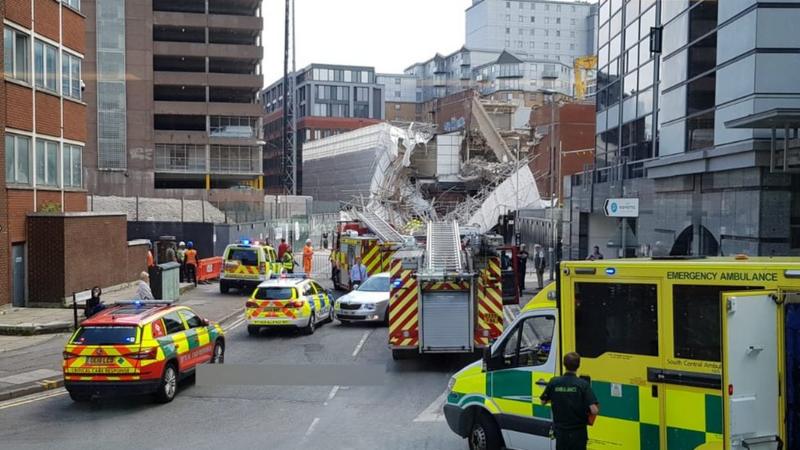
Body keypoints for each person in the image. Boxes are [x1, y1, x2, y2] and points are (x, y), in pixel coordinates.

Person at [540, 352, 600, 450]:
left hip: (561, 432)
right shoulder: (583, 385)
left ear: (564, 364)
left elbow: (543, 402)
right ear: (578, 366)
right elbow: (594, 410)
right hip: (578, 433)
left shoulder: (554, 382)